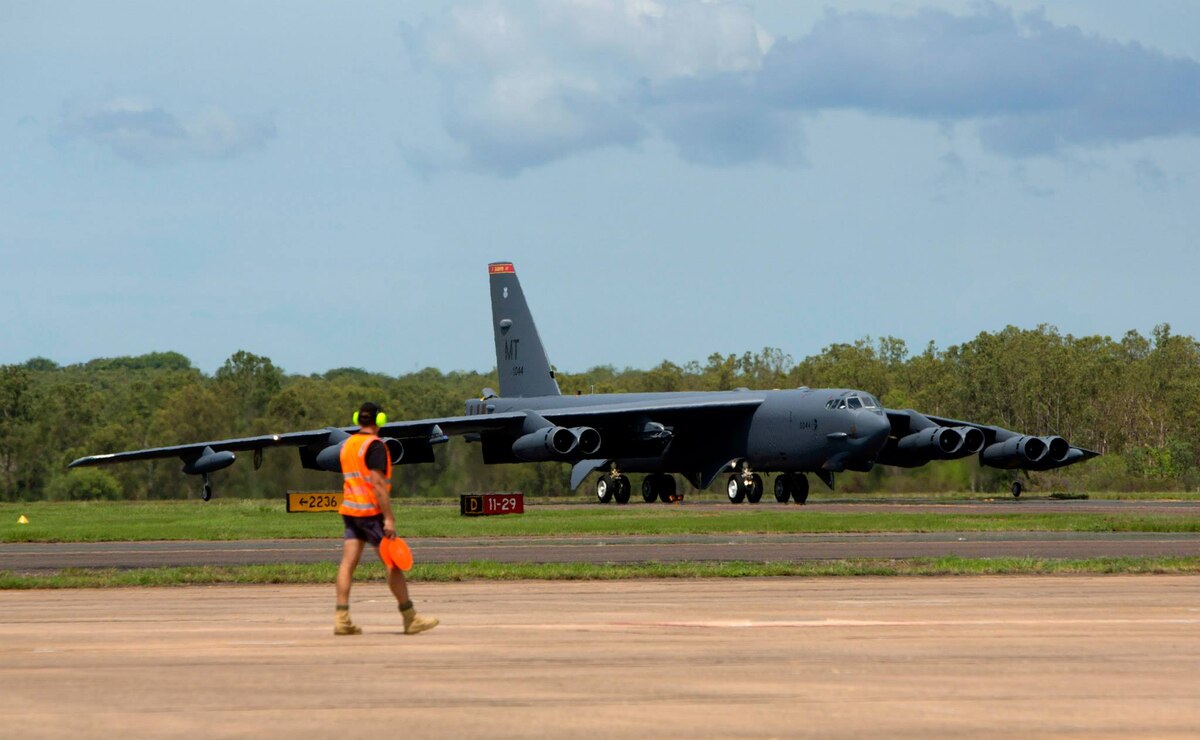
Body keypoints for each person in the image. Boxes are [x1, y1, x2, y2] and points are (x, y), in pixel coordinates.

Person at [334, 401, 438, 636]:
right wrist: (389, 518)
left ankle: (342, 618)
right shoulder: (375, 446)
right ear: (379, 420)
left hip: (350, 512)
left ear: (357, 419)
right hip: (371, 514)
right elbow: (378, 484)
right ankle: (410, 618)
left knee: (347, 564)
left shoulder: (349, 445)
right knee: (393, 564)